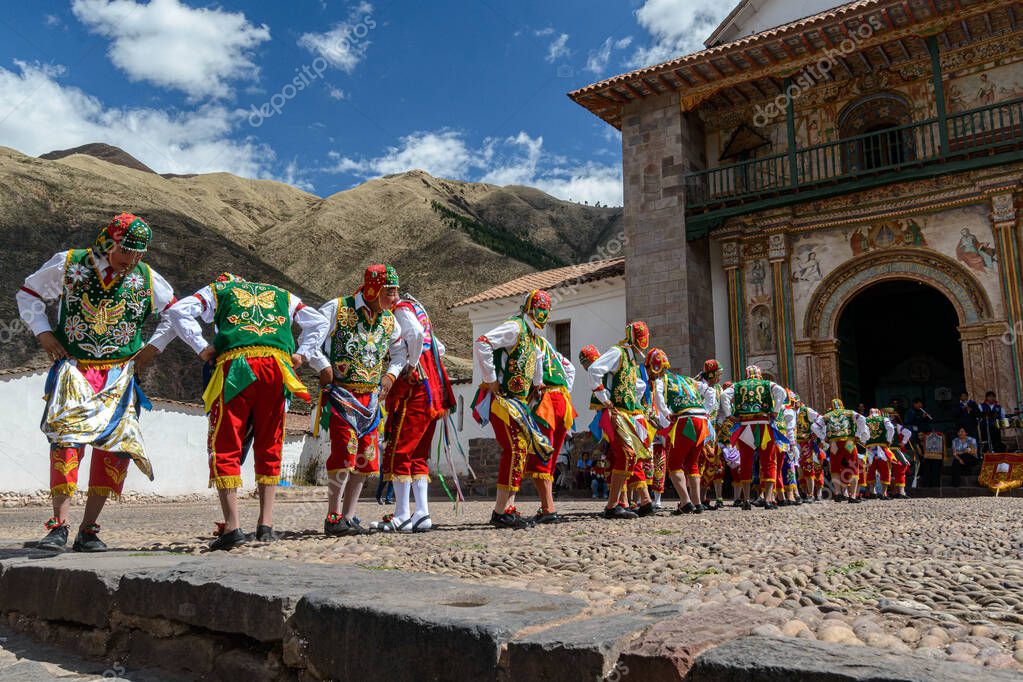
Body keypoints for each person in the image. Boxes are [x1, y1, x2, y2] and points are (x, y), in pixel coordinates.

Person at [20, 213, 176, 552]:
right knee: (66, 442)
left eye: (139, 255)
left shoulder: (147, 278)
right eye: (127, 253)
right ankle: (58, 525)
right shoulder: (70, 264)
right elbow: (28, 293)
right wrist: (44, 333)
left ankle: (89, 529)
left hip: (119, 376)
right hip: (74, 368)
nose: (132, 261)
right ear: (111, 242)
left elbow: (176, 314)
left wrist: (153, 346)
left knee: (114, 448)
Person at [171, 273, 328, 550]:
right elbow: (319, 321)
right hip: (276, 368)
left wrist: (201, 347)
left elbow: (179, 310)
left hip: (237, 368)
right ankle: (265, 526)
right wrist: (302, 353)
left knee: (226, 443)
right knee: (270, 443)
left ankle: (232, 527)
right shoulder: (281, 294)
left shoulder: (219, 290)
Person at [317, 265, 406, 536]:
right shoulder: (337, 308)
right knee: (344, 454)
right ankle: (333, 515)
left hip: (370, 401)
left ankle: (349, 515)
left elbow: (400, 354)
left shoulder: (390, 321)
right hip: (342, 395)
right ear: (373, 289)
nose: (394, 298)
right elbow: (310, 340)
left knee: (365, 459)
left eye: (395, 292)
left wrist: (389, 378)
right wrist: (323, 366)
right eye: (389, 292)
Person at [372, 292, 455, 533]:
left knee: (401, 450)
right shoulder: (417, 307)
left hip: (415, 389)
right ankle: (422, 513)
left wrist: (411, 364)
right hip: (434, 392)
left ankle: (401, 514)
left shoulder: (399, 310)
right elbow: (439, 347)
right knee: (419, 455)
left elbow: (417, 335)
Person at [472, 289, 552, 528]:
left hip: (519, 403)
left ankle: (508, 507)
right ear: (529, 308)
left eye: (546, 309)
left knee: (520, 449)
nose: (543, 313)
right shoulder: (515, 328)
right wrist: (491, 378)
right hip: (503, 400)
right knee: (515, 447)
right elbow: (483, 343)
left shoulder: (533, 336)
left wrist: (537, 385)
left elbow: (536, 362)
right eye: (539, 308)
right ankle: (500, 511)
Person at [588, 322, 656, 519]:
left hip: (629, 414)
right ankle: (614, 505)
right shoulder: (618, 352)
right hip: (617, 414)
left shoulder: (632, 360)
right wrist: (604, 399)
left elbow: (638, 387)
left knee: (631, 457)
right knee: (626, 455)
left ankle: (621, 504)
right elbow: (594, 370)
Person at [646, 348, 715, 515]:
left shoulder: (661, 381)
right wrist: (705, 412)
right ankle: (697, 503)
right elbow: (710, 391)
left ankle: (685, 502)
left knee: (675, 464)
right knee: (692, 463)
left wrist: (667, 416)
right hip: (701, 422)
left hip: (685, 421)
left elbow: (659, 400)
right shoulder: (687, 380)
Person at [525, 325, 577, 523]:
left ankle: (548, 509)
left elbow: (536, 361)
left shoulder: (533, 343)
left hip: (545, 402)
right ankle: (547, 507)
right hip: (563, 401)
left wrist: (538, 383)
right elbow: (570, 368)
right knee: (551, 456)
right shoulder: (550, 347)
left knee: (541, 455)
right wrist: (565, 389)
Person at [719, 365, 788, 510]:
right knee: (768, 460)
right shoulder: (767, 384)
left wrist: (729, 415)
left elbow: (724, 395)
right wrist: (775, 411)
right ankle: (768, 499)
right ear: (759, 375)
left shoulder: (738, 385)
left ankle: (746, 499)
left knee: (746, 460)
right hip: (763, 424)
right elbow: (781, 392)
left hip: (746, 425)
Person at [814, 399, 869, 502]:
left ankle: (838, 493)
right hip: (848, 443)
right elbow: (862, 419)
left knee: (835, 467)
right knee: (853, 466)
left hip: (834, 444)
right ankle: (852, 496)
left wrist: (823, 437)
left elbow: (814, 426)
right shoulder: (850, 412)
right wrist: (858, 435)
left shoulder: (827, 415)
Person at [697, 359, 726, 509]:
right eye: (718, 374)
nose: (719, 378)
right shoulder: (697, 385)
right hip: (698, 429)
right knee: (698, 462)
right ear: (711, 373)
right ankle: (695, 498)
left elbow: (721, 410)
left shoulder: (718, 389)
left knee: (711, 463)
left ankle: (703, 497)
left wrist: (720, 424)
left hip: (712, 431)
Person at [795, 397, 823, 502]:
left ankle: (811, 494)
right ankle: (802, 493)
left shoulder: (806, 410)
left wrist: (816, 432)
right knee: (798, 469)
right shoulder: (787, 411)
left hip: (806, 443)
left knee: (808, 468)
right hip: (794, 443)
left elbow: (820, 419)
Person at [863, 408, 896, 500]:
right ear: (879, 413)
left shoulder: (865, 419)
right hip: (882, 448)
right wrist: (888, 440)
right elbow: (891, 428)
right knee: (885, 470)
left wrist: (864, 441)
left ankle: (872, 491)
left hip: (870, 449)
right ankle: (883, 493)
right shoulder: (884, 419)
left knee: (870, 469)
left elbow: (861, 431)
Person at [885, 408, 913, 499]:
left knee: (887, 471)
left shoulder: (882, 426)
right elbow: (908, 432)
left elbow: (908, 433)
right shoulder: (897, 426)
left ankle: (891, 492)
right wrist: (903, 442)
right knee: (899, 469)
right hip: (894, 451)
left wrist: (903, 442)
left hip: (884, 450)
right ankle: (899, 492)